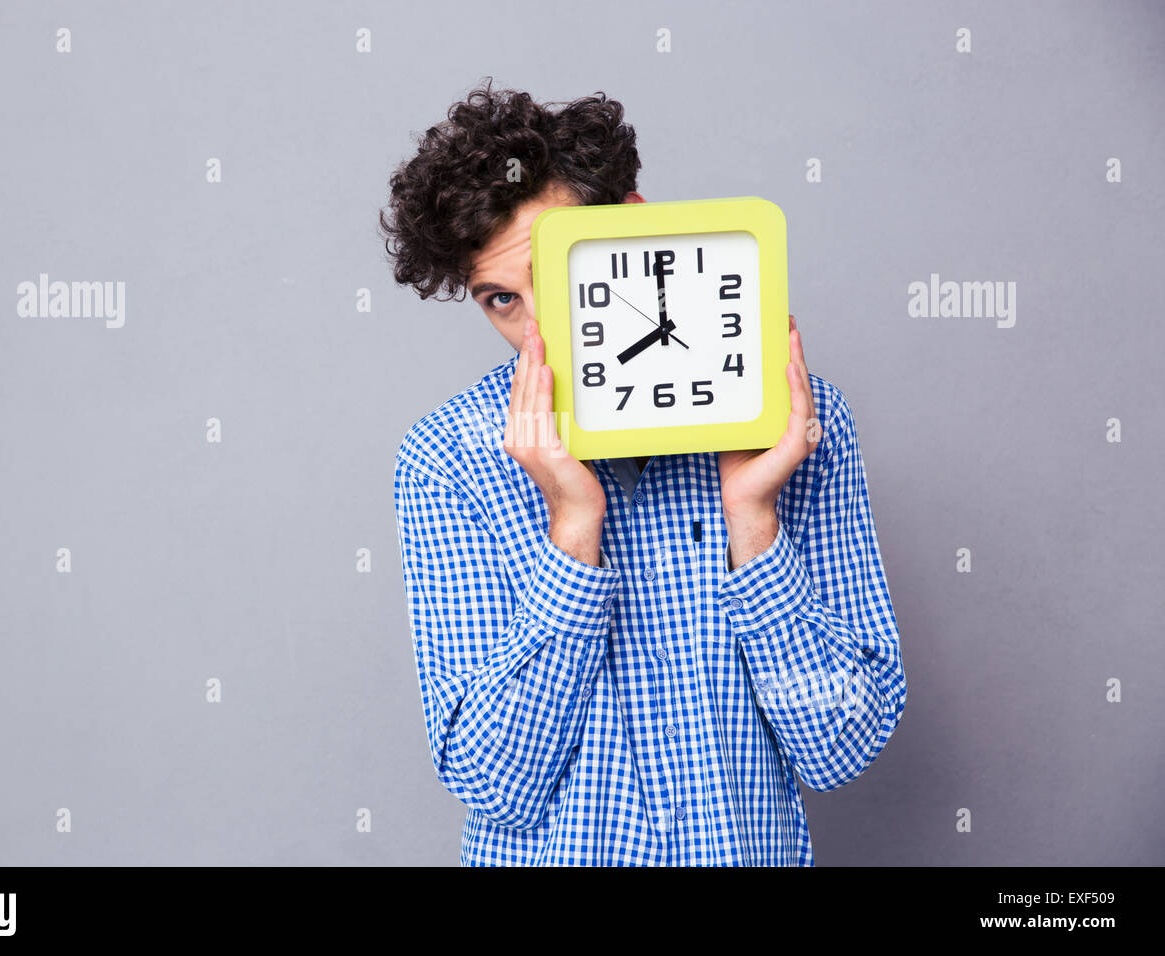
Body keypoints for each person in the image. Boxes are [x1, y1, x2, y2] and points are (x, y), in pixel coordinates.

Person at [380, 80, 907, 866]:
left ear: (634, 227)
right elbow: (494, 783)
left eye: (559, 281)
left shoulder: (793, 424)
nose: (540, 334)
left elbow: (840, 747)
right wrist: (572, 529)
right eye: (501, 300)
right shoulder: (447, 460)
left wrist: (754, 522)